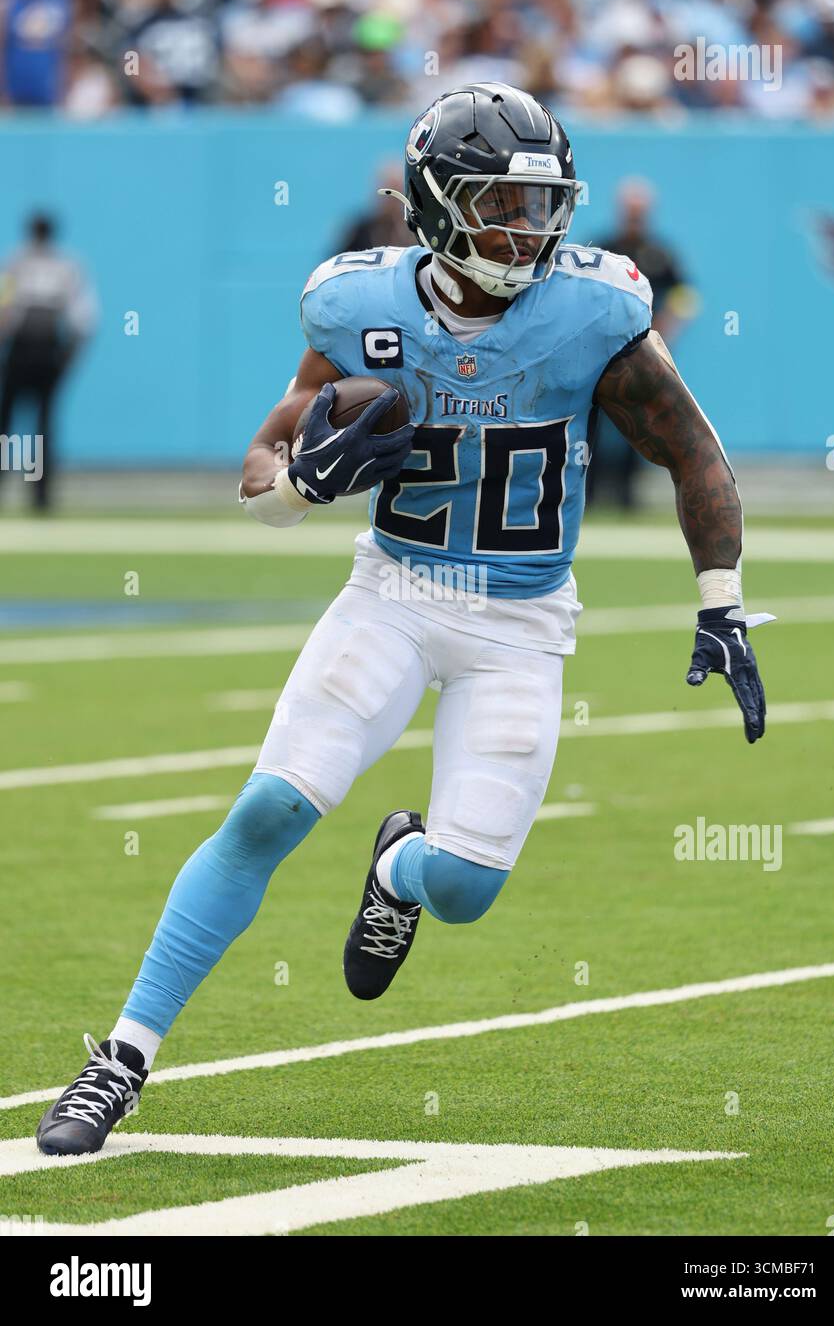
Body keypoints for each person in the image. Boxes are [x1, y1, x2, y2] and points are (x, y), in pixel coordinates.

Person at [36, 83, 770, 1155]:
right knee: (266, 813)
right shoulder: (357, 306)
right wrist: (294, 489)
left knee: (465, 888)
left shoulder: (592, 308)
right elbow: (265, 456)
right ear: (434, 203)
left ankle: (397, 870)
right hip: (390, 593)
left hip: (519, 623)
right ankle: (120, 1059)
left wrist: (721, 602)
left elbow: (691, 449)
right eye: (498, 203)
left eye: (539, 203)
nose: (526, 228)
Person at [588, 177, 699, 508]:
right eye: (631, 212)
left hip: (642, 354)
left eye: (640, 213)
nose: (635, 219)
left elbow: (685, 295)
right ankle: (590, 493)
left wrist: (667, 324)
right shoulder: (603, 249)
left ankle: (626, 495)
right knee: (593, 421)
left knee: (639, 424)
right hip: (601, 354)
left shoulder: (660, 254)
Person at [0, 213, 97, 512]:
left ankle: (38, 496)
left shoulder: (18, 263)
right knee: (39, 427)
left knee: (11, 425)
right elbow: (84, 318)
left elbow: (4, 309)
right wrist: (68, 356)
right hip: (45, 352)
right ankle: (40, 497)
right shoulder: (66, 266)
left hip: (24, 351)